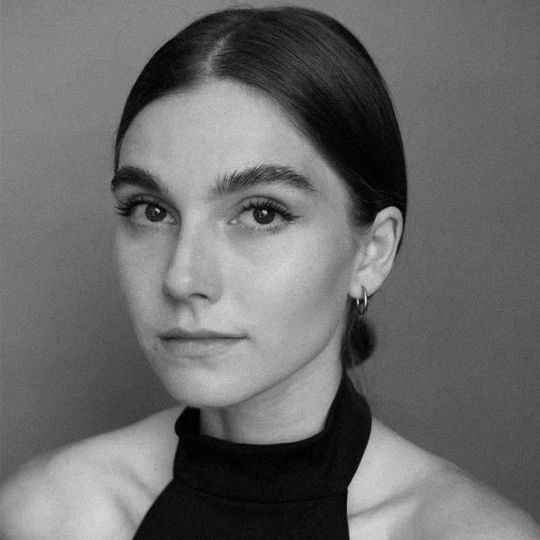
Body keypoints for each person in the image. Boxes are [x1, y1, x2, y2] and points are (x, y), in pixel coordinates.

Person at [0, 6, 538, 539]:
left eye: (261, 213)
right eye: (152, 210)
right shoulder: (51, 515)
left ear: (372, 253)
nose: (181, 279)